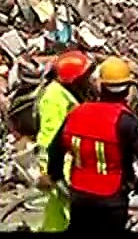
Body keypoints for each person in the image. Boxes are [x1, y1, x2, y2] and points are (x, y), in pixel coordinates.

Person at [46, 56, 138, 232]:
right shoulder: (126, 122)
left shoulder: (76, 113)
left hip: (79, 196)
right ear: (128, 89)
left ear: (100, 86)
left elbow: (55, 151)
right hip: (112, 199)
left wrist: (58, 179)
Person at [35, 51, 94, 232]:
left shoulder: (66, 95)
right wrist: (48, 172)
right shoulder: (55, 99)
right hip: (64, 169)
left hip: (67, 166)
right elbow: (48, 138)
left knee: (56, 218)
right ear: (74, 80)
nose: (89, 82)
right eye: (85, 78)